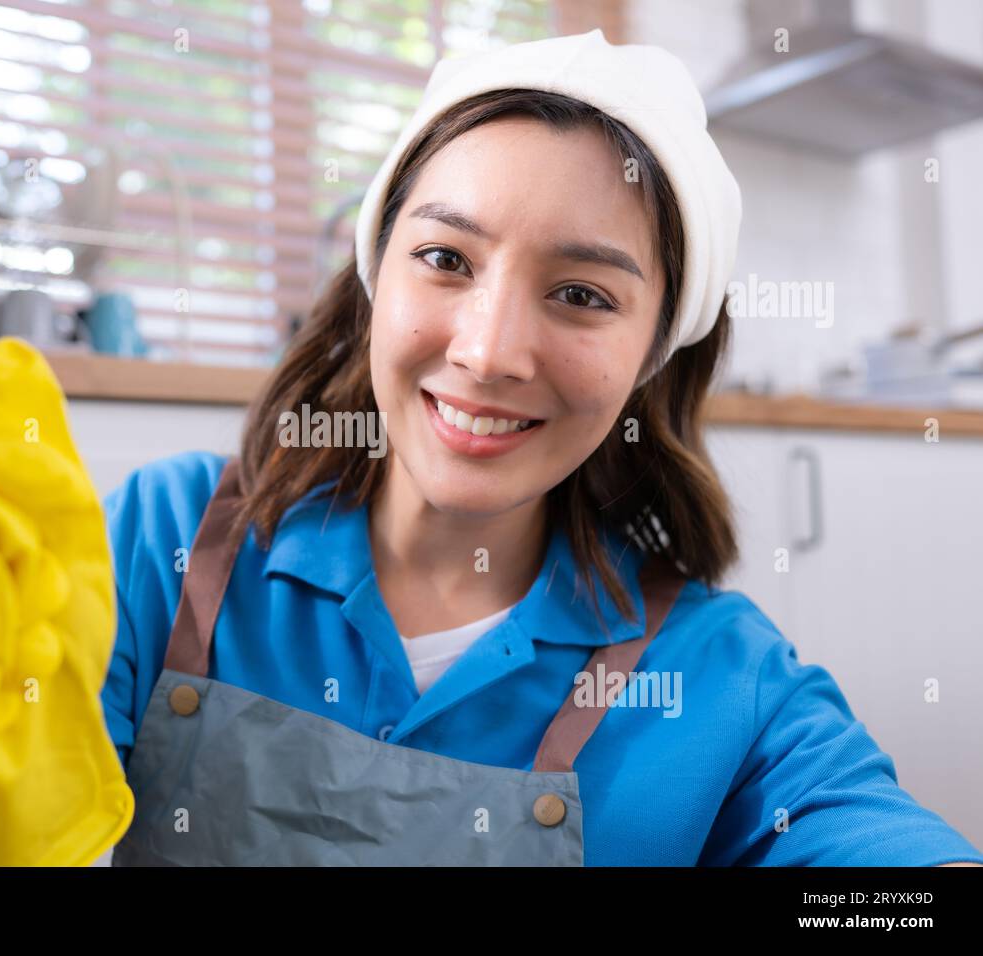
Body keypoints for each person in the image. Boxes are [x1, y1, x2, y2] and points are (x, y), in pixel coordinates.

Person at [99, 30, 983, 866]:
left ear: (652, 357)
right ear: (376, 277)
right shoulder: (165, 544)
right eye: (446, 259)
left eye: (581, 294)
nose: (488, 352)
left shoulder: (728, 685)